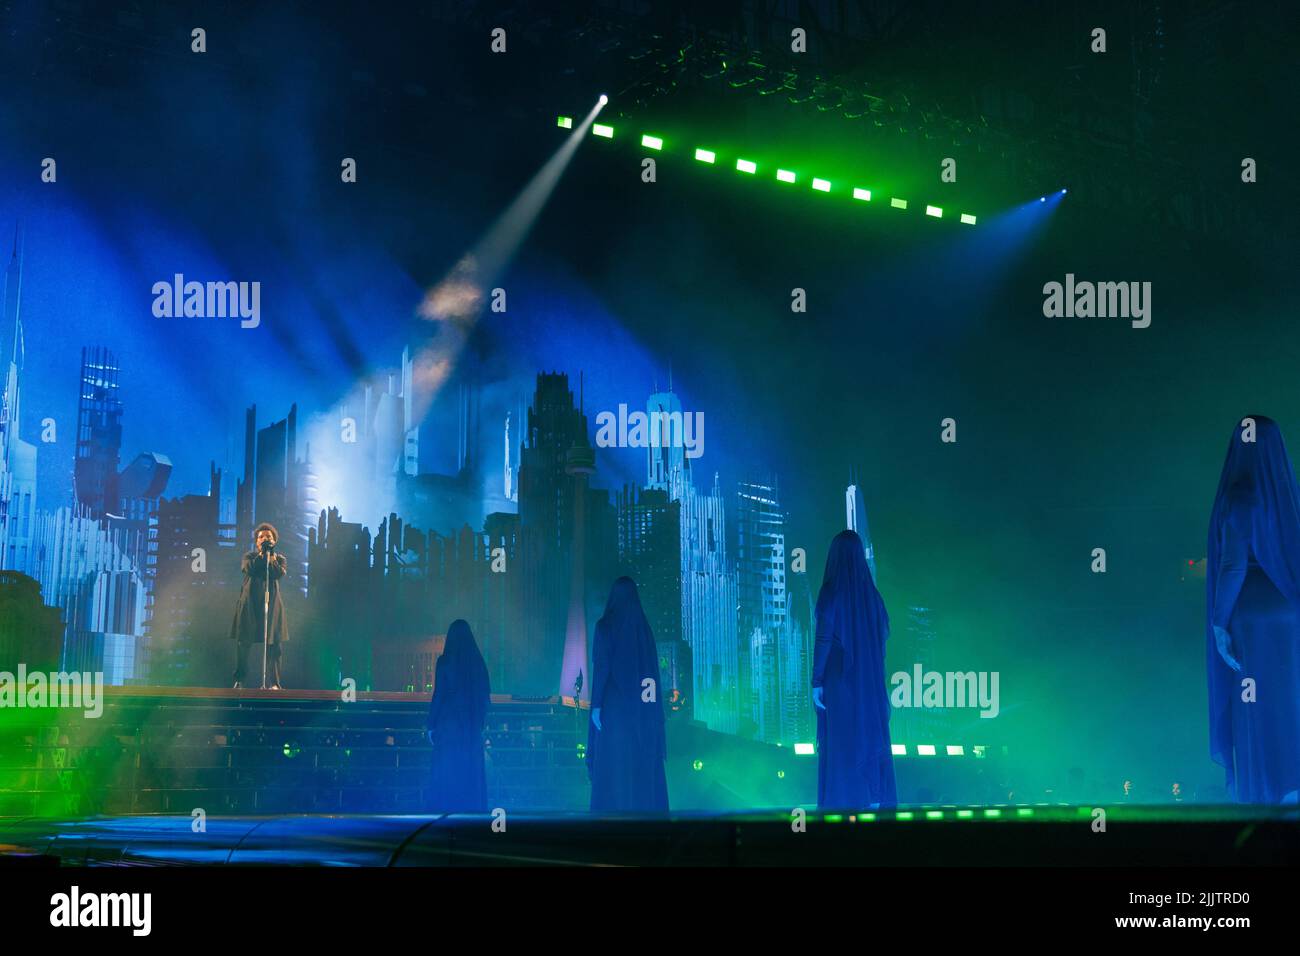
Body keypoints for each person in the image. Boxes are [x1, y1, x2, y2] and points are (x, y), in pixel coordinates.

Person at [1207, 415, 1300, 804]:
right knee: (1288, 698)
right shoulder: (1287, 495)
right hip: (1289, 613)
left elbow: (1232, 566)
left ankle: (1262, 794)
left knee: (1254, 702)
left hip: (1251, 614)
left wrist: (1218, 621)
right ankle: (1292, 784)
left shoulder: (1238, 495)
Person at [812, 529, 897, 809]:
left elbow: (824, 638)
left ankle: (843, 802)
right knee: (868, 732)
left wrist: (816, 681)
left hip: (839, 680)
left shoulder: (830, 592)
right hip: (868, 681)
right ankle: (872, 797)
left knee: (842, 741)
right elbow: (882, 640)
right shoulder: (873, 596)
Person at [587, 577, 669, 812]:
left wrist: (597, 707)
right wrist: (651, 711)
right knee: (639, 767)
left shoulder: (605, 626)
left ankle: (612, 822)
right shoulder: (644, 630)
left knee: (614, 769)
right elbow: (651, 675)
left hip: (613, 712)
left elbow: (602, 668)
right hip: (642, 714)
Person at [425, 619, 491, 812]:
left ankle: (445, 813)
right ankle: (471, 812)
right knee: (469, 771)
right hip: (470, 729)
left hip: (448, 728)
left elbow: (439, 695)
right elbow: (484, 696)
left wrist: (431, 725)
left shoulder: (444, 662)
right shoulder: (477, 662)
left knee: (447, 772)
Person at [228, 522, 289, 689]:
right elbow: (250, 569)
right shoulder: (249, 556)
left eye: (268, 537)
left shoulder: (280, 559)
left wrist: (271, 557)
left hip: (271, 606)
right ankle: (240, 680)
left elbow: (278, 573)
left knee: (274, 646)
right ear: (256, 542)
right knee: (243, 644)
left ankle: (274, 683)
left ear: (274, 541)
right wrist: (263, 555)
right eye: (261, 537)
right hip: (250, 605)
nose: (264, 539)